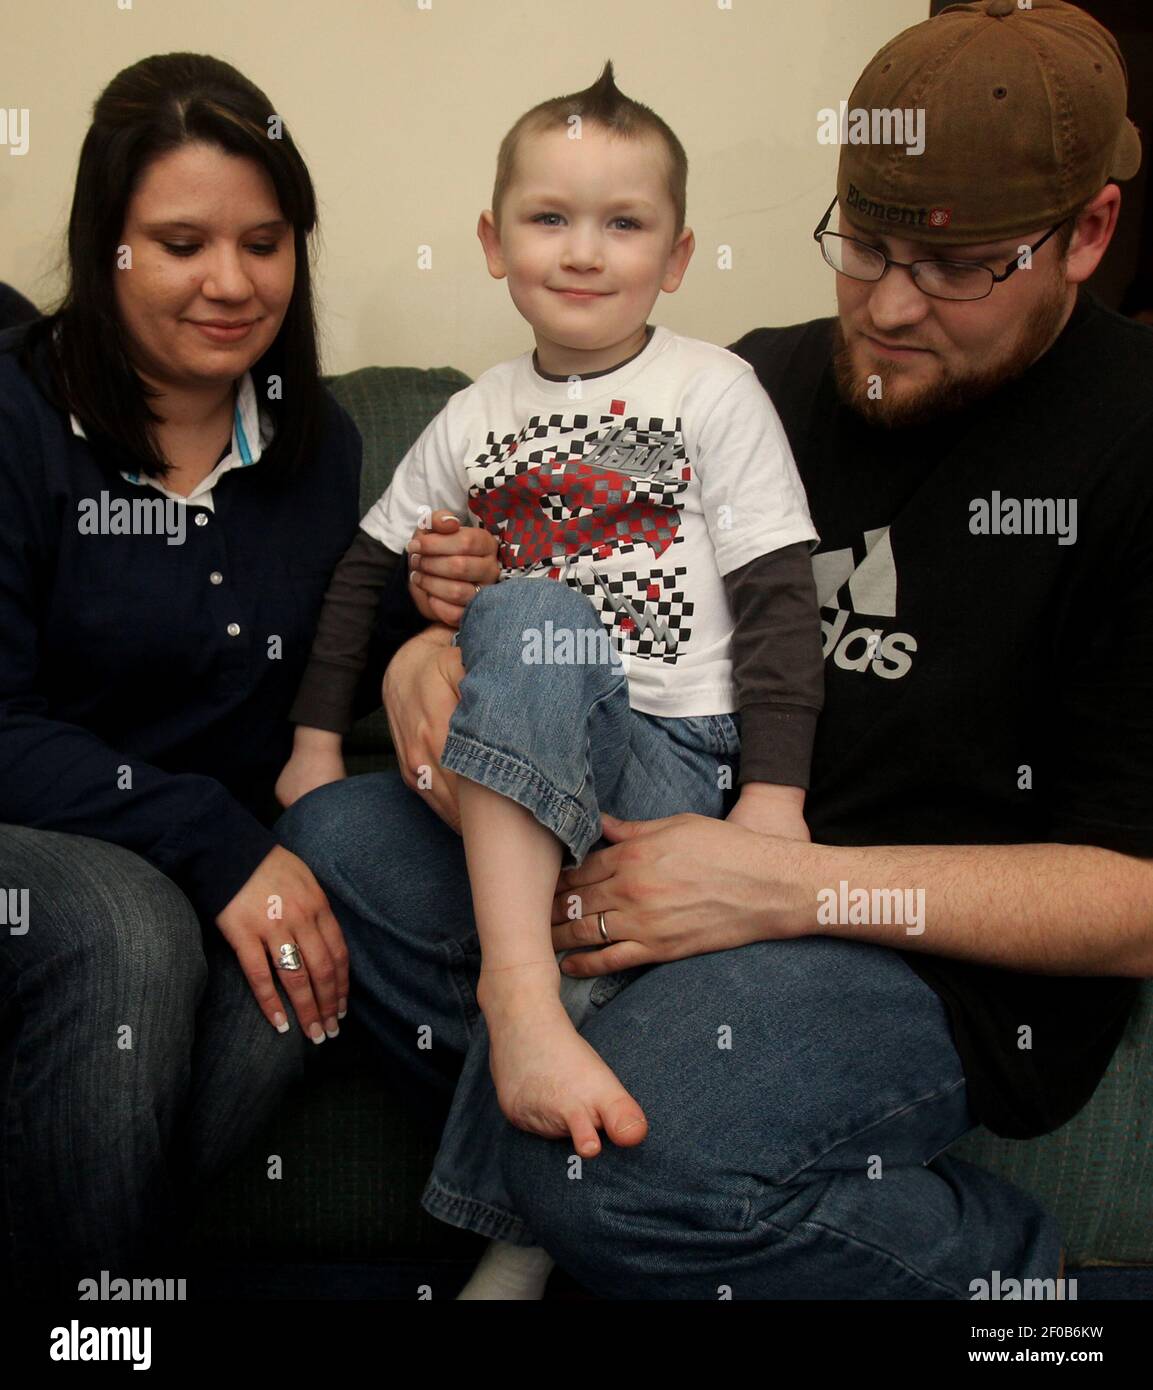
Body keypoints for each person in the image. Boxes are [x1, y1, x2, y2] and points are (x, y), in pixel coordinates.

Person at [279, 0, 1153, 1298]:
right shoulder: (749, 382)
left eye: (959, 264)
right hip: (655, 830)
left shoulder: (1131, 449)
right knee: (341, 841)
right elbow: (543, 586)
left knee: (601, 1171)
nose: (890, 306)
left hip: (907, 957)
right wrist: (427, 653)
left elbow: (1135, 902)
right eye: (864, 243)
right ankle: (585, 1069)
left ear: (1085, 235)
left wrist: (781, 886)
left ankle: (1010, 1283)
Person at [278, 59, 823, 1298]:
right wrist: (319, 739)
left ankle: (516, 1092)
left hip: (669, 752)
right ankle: (551, 1078)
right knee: (322, 824)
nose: (583, 252)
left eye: (623, 224)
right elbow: (363, 569)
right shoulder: (476, 415)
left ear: (676, 259)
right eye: (548, 218)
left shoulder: (710, 390)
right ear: (491, 240)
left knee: (527, 609)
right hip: (510, 753)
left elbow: (780, 598)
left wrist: (774, 803)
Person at [0, 51, 496, 1297]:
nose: (231, 283)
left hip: (213, 850)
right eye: (179, 243)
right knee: (133, 930)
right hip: (40, 839)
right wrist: (220, 846)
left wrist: (428, 612)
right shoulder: (15, 421)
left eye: (264, 243)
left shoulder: (315, 446)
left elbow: (323, 637)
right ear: (105, 247)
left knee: (306, 944)